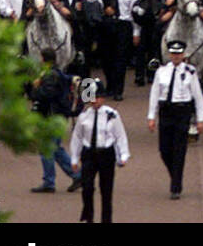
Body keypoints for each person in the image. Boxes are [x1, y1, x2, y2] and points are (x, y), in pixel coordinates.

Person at [147, 39, 203, 199]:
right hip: (166, 111)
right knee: (164, 150)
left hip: (182, 111)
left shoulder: (190, 72)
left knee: (179, 149)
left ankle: (176, 186)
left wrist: (200, 119)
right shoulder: (161, 72)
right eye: (173, 53)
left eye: (179, 53)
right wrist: (151, 116)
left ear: (184, 54)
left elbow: (198, 96)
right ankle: (175, 174)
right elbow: (154, 94)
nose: (176, 56)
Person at [69, 78, 130, 224]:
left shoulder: (112, 115)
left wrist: (123, 155)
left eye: (98, 97)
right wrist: (74, 158)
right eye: (92, 98)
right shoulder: (84, 116)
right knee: (87, 187)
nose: (95, 101)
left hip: (106, 154)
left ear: (103, 98)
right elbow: (77, 137)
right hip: (89, 153)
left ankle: (106, 219)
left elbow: (120, 135)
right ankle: (88, 216)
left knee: (106, 190)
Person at [27, 49, 82, 195]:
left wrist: (34, 90)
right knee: (56, 149)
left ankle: (49, 182)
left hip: (51, 117)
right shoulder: (56, 72)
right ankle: (78, 175)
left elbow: (46, 95)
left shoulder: (49, 75)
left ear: (43, 59)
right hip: (58, 116)